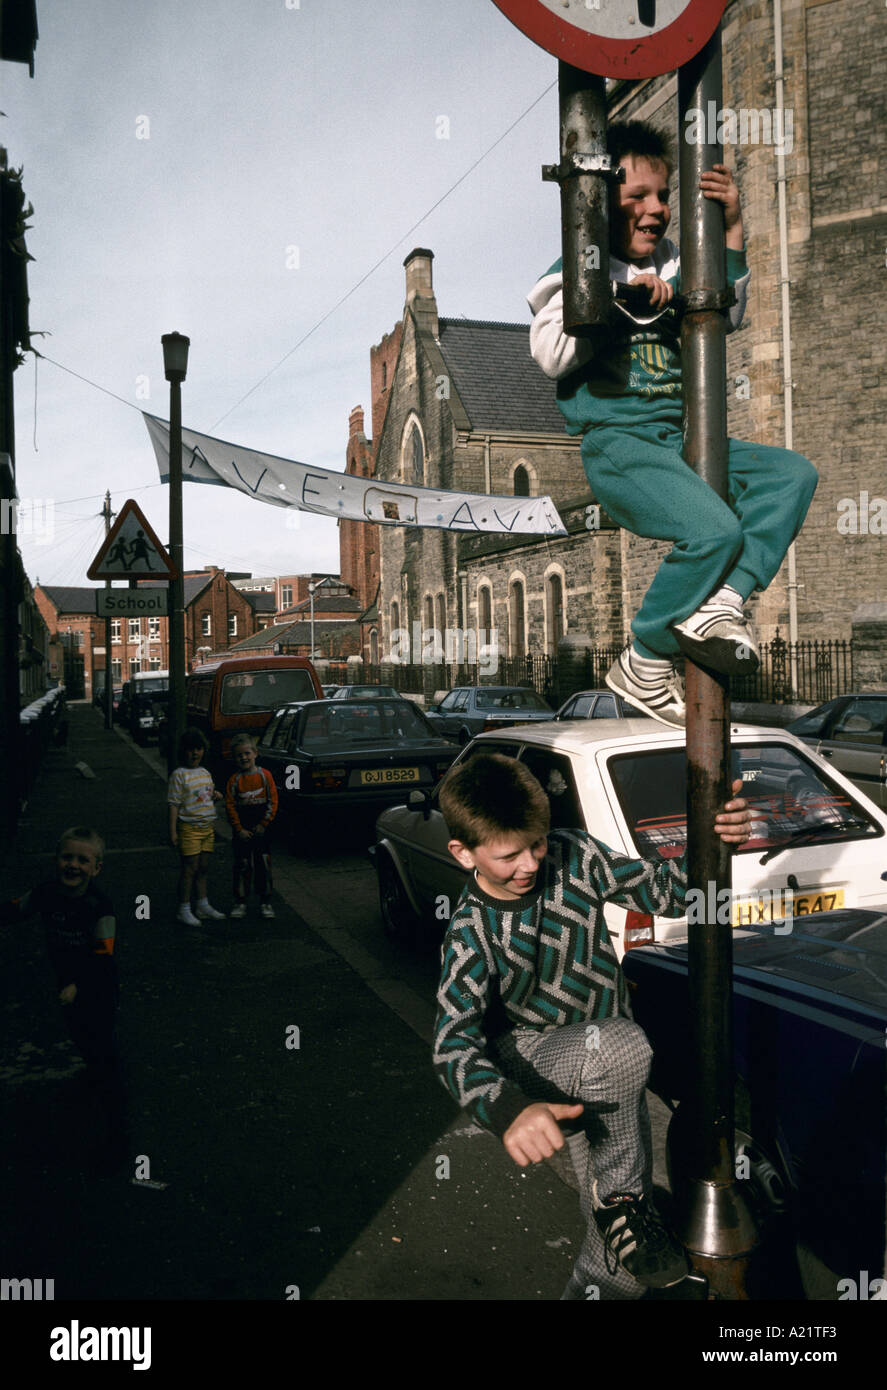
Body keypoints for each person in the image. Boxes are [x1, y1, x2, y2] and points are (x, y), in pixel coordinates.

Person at [527, 119, 818, 727]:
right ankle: (643, 656)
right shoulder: (577, 271)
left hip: (682, 443)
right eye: (637, 198)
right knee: (714, 531)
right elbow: (551, 356)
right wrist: (613, 301)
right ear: (600, 204)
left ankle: (722, 603)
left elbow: (725, 312)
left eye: (663, 196)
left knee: (791, 475)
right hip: (619, 446)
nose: (656, 209)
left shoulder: (675, 264)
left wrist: (733, 229)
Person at [432, 752, 751, 1300]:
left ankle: (612, 1232)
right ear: (463, 854)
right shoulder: (469, 929)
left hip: (607, 1073)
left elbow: (671, 893)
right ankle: (624, 1203)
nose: (530, 862)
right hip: (533, 1061)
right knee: (621, 1047)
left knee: (620, 1264)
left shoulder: (574, 854)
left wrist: (716, 840)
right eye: (509, 855)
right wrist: (509, 1109)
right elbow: (450, 1043)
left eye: (535, 842)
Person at [0, 826, 128, 1170]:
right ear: (56, 860)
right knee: (80, 1035)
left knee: (104, 1054)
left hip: (97, 989)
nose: (73, 865)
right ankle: (92, 1067)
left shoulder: (100, 906)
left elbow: (103, 956)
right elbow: (13, 909)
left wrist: (78, 985)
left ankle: (119, 1138)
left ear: (96, 868)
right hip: (66, 987)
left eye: (82, 860)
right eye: (66, 857)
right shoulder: (45, 893)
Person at [168, 727, 226, 926]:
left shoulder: (205, 773)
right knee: (189, 869)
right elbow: (174, 804)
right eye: (191, 749)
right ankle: (183, 908)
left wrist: (216, 797)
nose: (195, 753)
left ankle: (202, 904)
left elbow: (206, 797)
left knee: (203, 867)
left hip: (207, 828)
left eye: (199, 749)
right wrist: (173, 831)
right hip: (189, 829)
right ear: (183, 751)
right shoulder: (179, 775)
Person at [224, 733, 279, 920]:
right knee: (242, 865)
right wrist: (239, 829)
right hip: (242, 832)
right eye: (239, 755)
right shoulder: (234, 780)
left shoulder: (265, 776)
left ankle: (266, 902)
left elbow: (273, 800)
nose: (244, 758)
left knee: (263, 864)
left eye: (247, 753)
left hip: (261, 830)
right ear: (234, 758)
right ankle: (240, 902)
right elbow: (230, 806)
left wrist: (264, 823)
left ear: (255, 753)